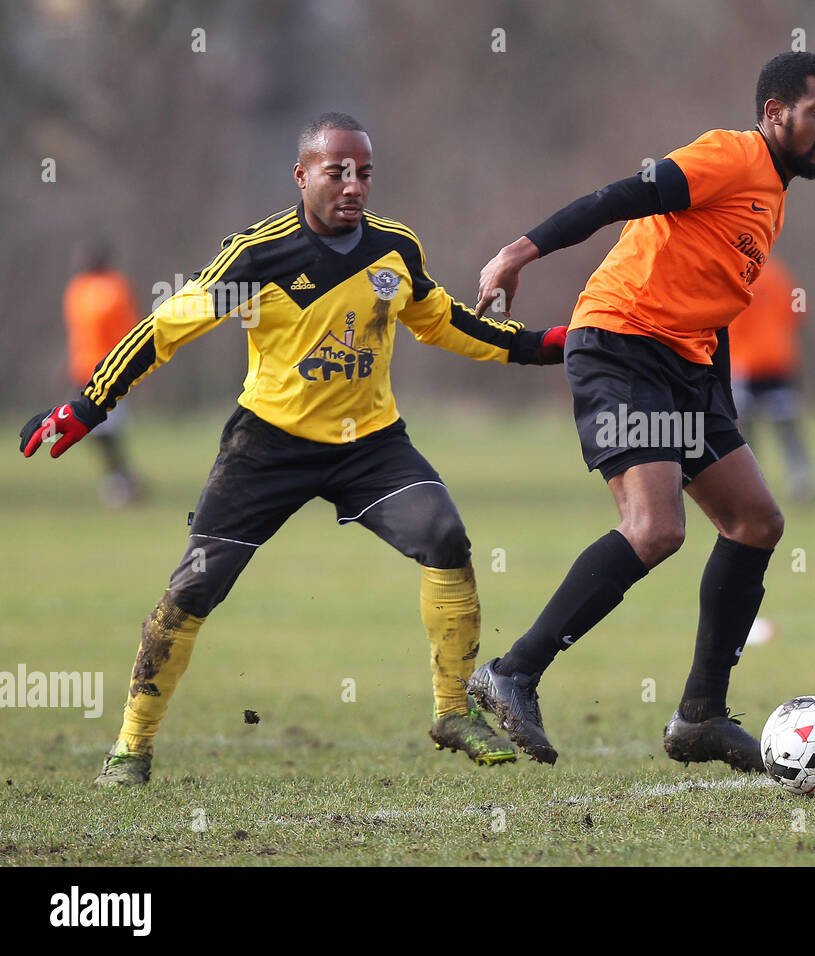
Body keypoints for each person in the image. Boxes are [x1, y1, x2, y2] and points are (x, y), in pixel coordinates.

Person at [20, 112, 566, 785]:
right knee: (194, 589)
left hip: (370, 443)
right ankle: (131, 747)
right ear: (301, 175)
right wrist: (87, 404)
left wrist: (544, 345)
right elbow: (165, 328)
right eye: (337, 171)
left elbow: (442, 322)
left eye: (364, 172)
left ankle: (452, 710)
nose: (354, 185)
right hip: (268, 445)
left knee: (445, 537)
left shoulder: (394, 249)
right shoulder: (256, 255)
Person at [466, 52, 815, 769]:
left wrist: (720, 408)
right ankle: (513, 671)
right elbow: (619, 196)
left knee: (757, 520)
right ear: (774, 114)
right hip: (623, 347)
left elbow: (718, 299)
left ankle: (700, 717)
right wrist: (521, 252)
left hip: (686, 368)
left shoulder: (773, 194)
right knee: (655, 527)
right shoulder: (731, 155)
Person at [728, 255, 815, 503]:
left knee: (743, 432)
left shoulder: (732, 270)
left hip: (744, 363)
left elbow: (727, 320)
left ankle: (748, 487)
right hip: (779, 361)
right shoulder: (777, 270)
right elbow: (798, 309)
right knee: (787, 428)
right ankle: (802, 482)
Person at [63, 239, 145, 506]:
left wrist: (130, 368)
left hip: (108, 371)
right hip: (82, 369)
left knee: (105, 428)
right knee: (92, 430)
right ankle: (124, 480)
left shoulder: (114, 288)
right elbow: (77, 333)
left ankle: (121, 482)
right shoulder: (77, 288)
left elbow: (127, 329)